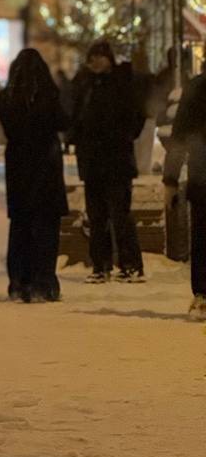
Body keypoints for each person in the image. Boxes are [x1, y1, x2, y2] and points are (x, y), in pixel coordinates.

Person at [68, 39, 146, 283]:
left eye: (100, 57)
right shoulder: (84, 85)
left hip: (116, 159)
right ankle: (100, 265)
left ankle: (130, 264)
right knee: (97, 215)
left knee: (120, 214)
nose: (96, 62)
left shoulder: (121, 83)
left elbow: (137, 115)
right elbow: (74, 115)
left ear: (109, 59)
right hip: (92, 160)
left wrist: (124, 136)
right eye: (92, 58)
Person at [0, 49, 69, 302]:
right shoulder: (49, 96)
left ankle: (19, 280)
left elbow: (8, 127)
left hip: (18, 165)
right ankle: (43, 281)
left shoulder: (5, 98)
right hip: (45, 165)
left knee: (20, 225)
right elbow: (63, 121)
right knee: (46, 226)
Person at [162, 69, 206, 317]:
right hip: (202, 175)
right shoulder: (198, 88)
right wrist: (170, 178)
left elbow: (179, 135)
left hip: (202, 175)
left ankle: (202, 296)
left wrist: (171, 178)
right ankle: (202, 295)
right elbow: (181, 135)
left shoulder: (197, 87)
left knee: (202, 237)